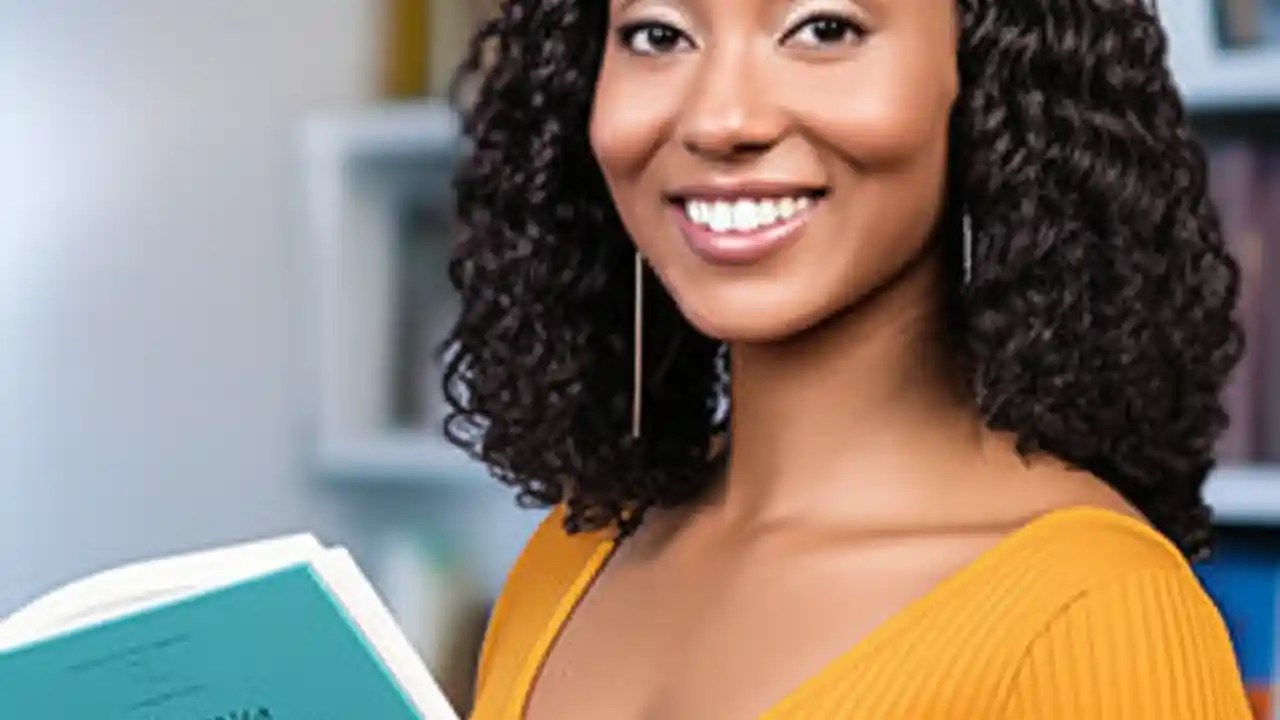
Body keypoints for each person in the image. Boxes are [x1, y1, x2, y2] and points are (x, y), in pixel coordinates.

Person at [443, 0, 1252, 717]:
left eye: (824, 29)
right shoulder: (577, 550)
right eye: (657, 35)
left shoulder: (1096, 613)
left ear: (985, 73)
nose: (720, 118)